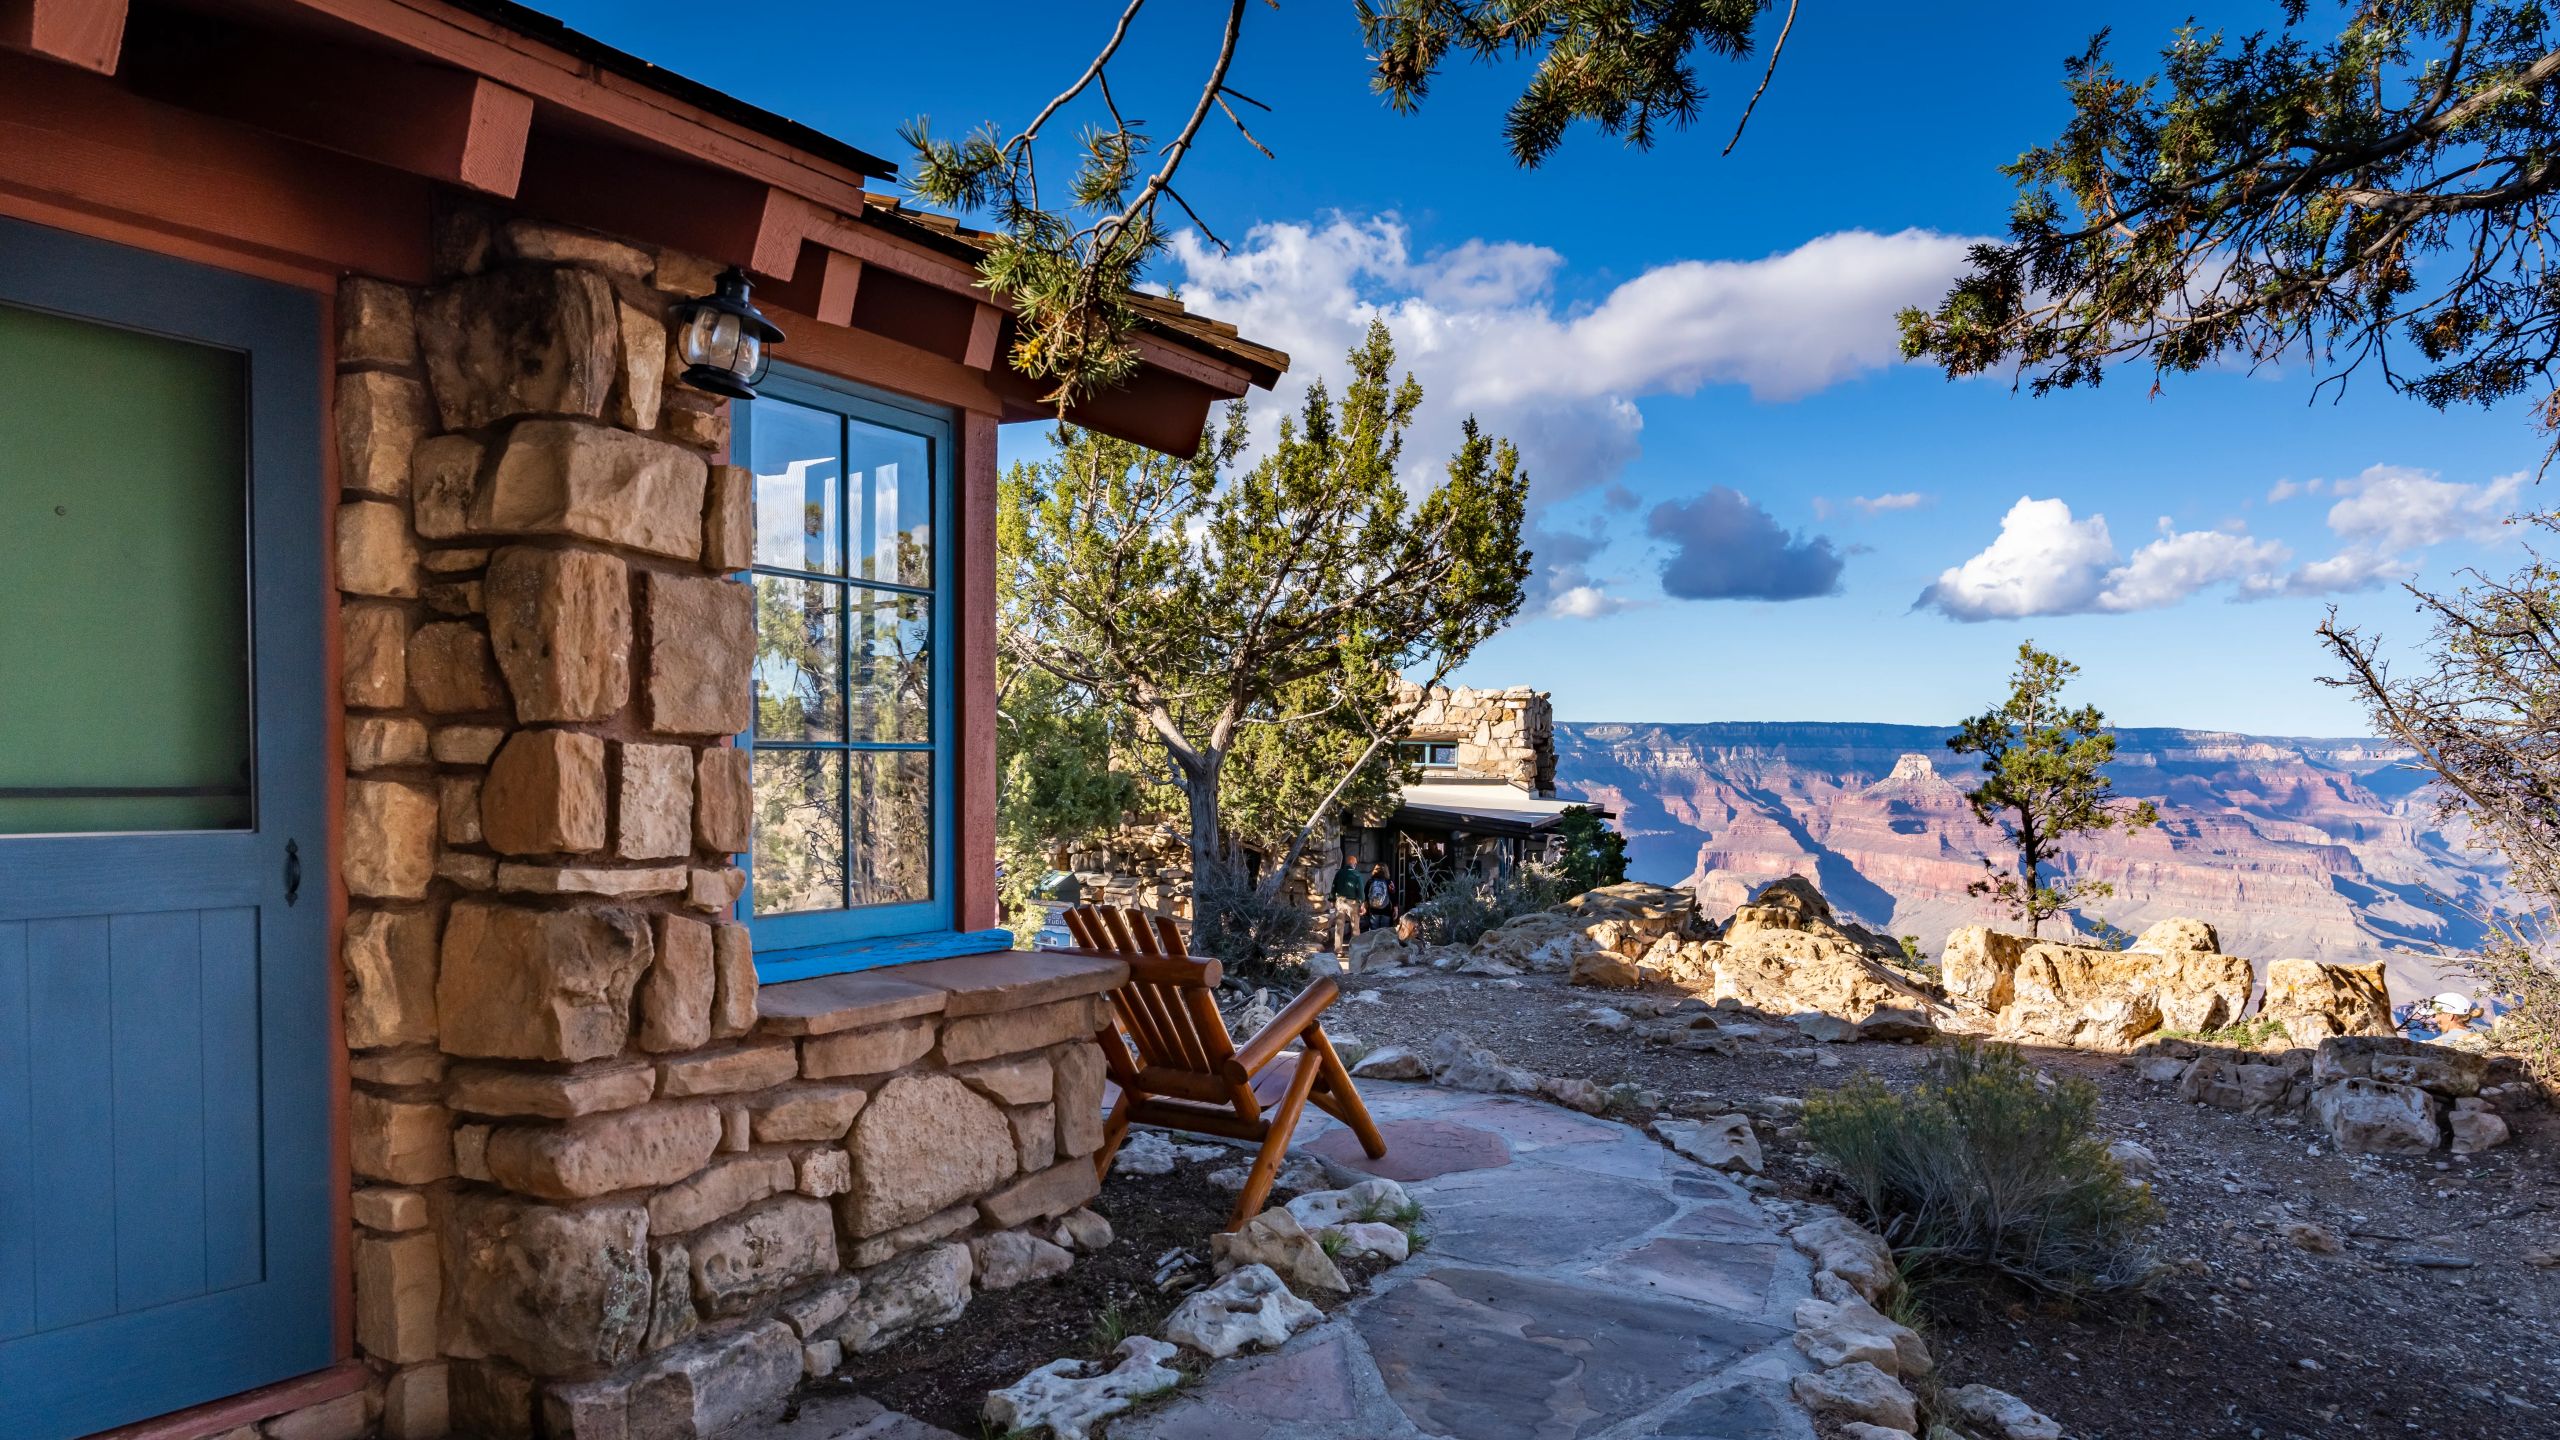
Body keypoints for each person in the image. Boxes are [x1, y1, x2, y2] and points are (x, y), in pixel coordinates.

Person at [1327, 845, 1367, 951]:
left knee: (1339, 926)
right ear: (1353, 864)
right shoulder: (1356, 875)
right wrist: (1362, 902)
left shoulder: (1339, 873)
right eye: (1355, 864)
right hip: (1352, 903)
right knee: (1355, 927)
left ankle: (1338, 950)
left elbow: (1333, 887)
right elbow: (1360, 891)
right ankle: (1354, 949)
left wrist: (1331, 900)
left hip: (1340, 901)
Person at [1362, 861, 1395, 932]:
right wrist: (1395, 908)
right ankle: (1383, 943)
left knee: (1373, 932)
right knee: (1384, 932)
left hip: (1373, 910)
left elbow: (1365, 895)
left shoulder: (1370, 881)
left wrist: (1365, 907)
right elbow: (1393, 895)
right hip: (1386, 910)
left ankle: (1373, 943)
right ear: (1386, 871)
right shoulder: (1389, 882)